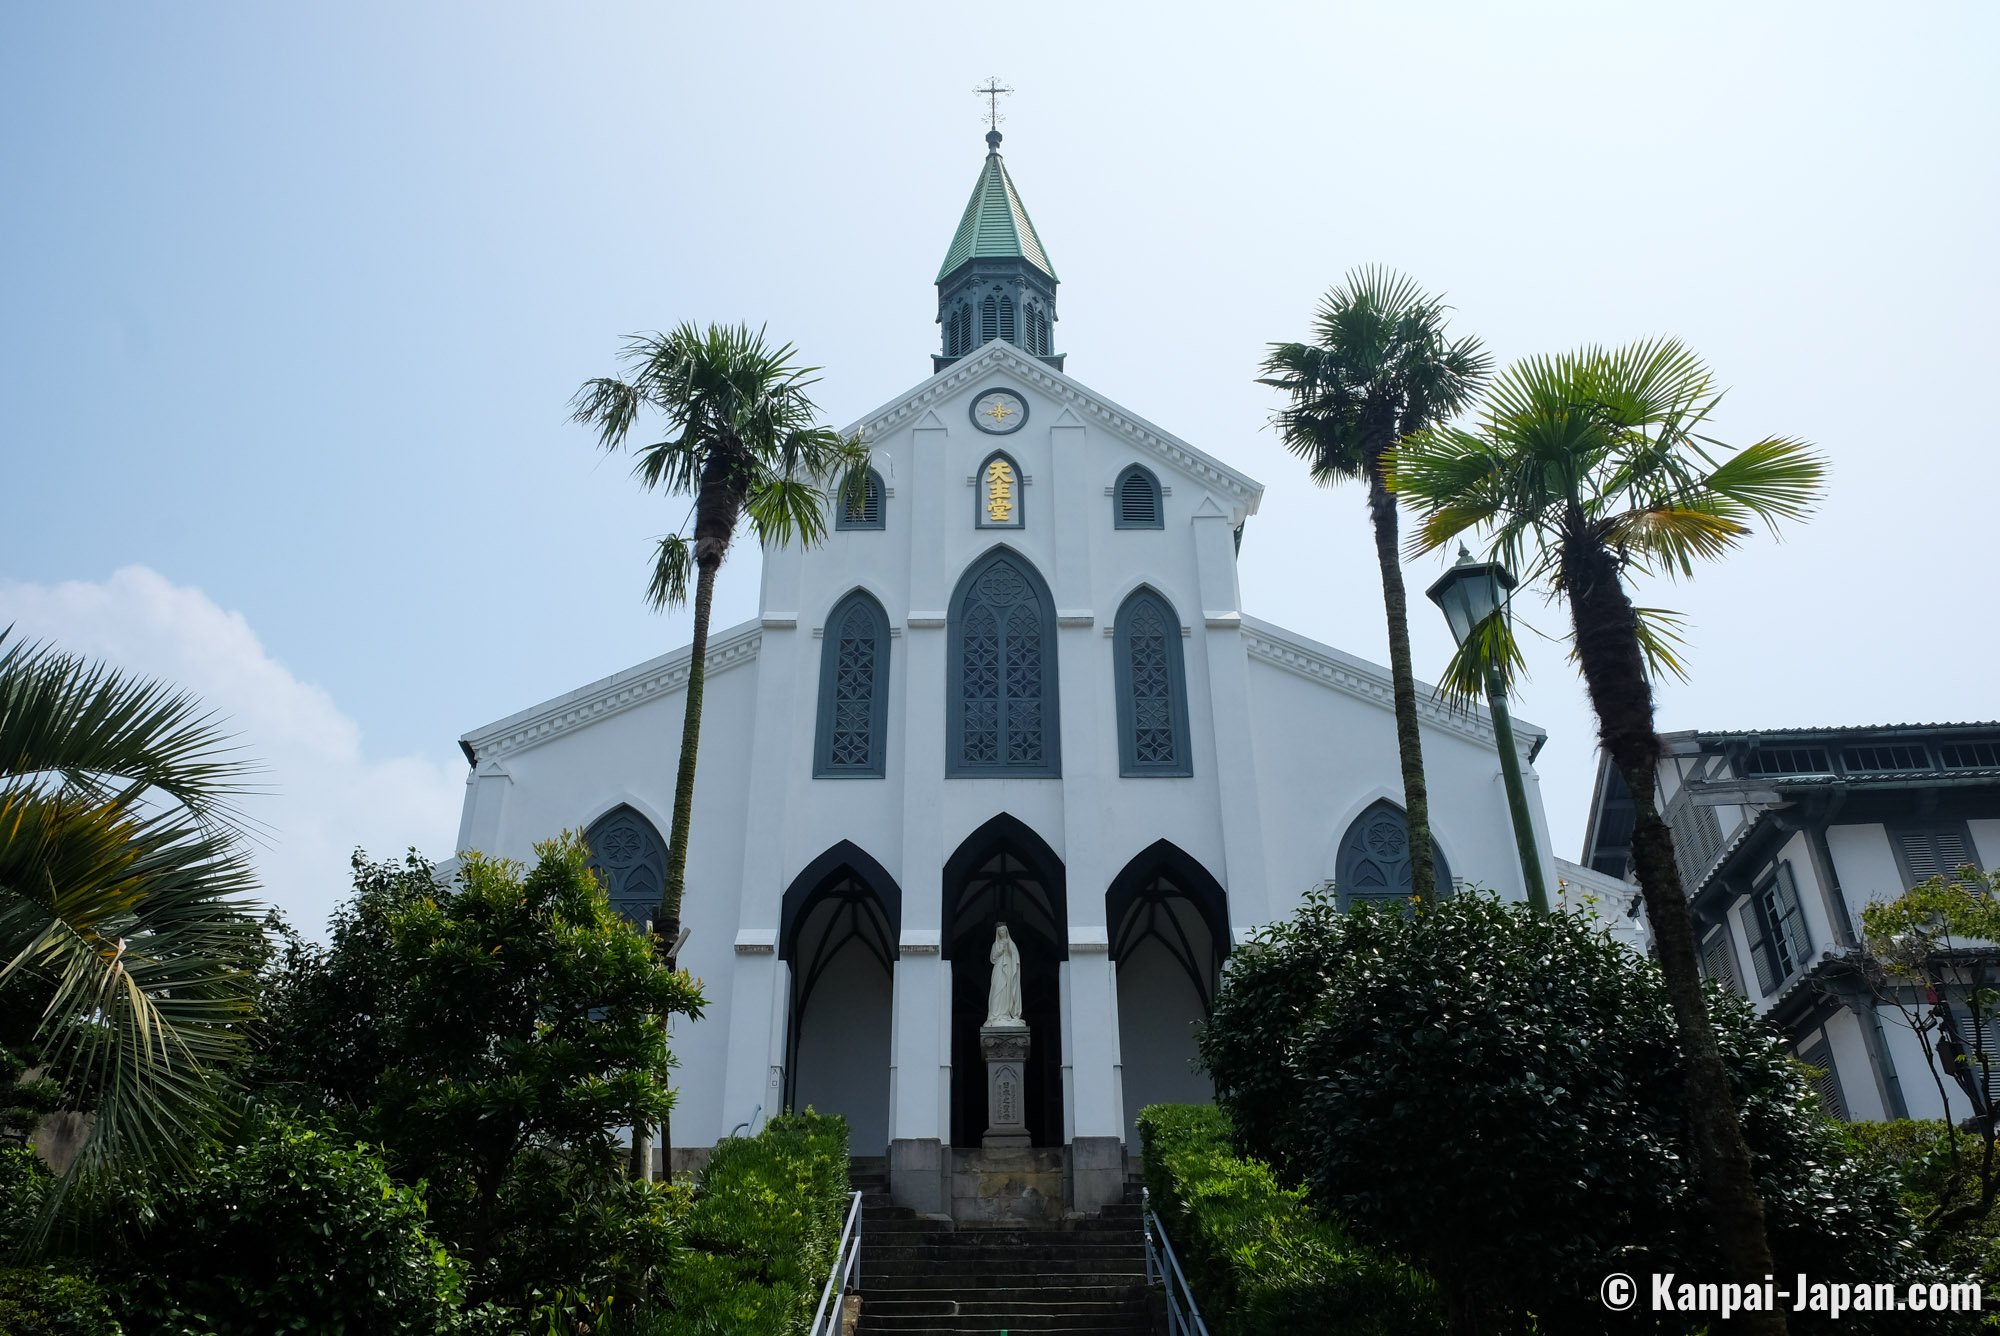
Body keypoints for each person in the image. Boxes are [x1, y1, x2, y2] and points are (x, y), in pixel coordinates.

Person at [986, 922, 1023, 1026]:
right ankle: (995, 1015)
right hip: (998, 968)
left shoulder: (1011, 943)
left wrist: (1009, 949)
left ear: (1006, 931)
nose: (1002, 932)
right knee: (997, 989)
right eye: (1000, 931)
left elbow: (1016, 958)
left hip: (1009, 969)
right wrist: (1001, 950)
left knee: (1007, 990)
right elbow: (993, 958)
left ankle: (1005, 1013)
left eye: (1003, 930)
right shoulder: (995, 944)